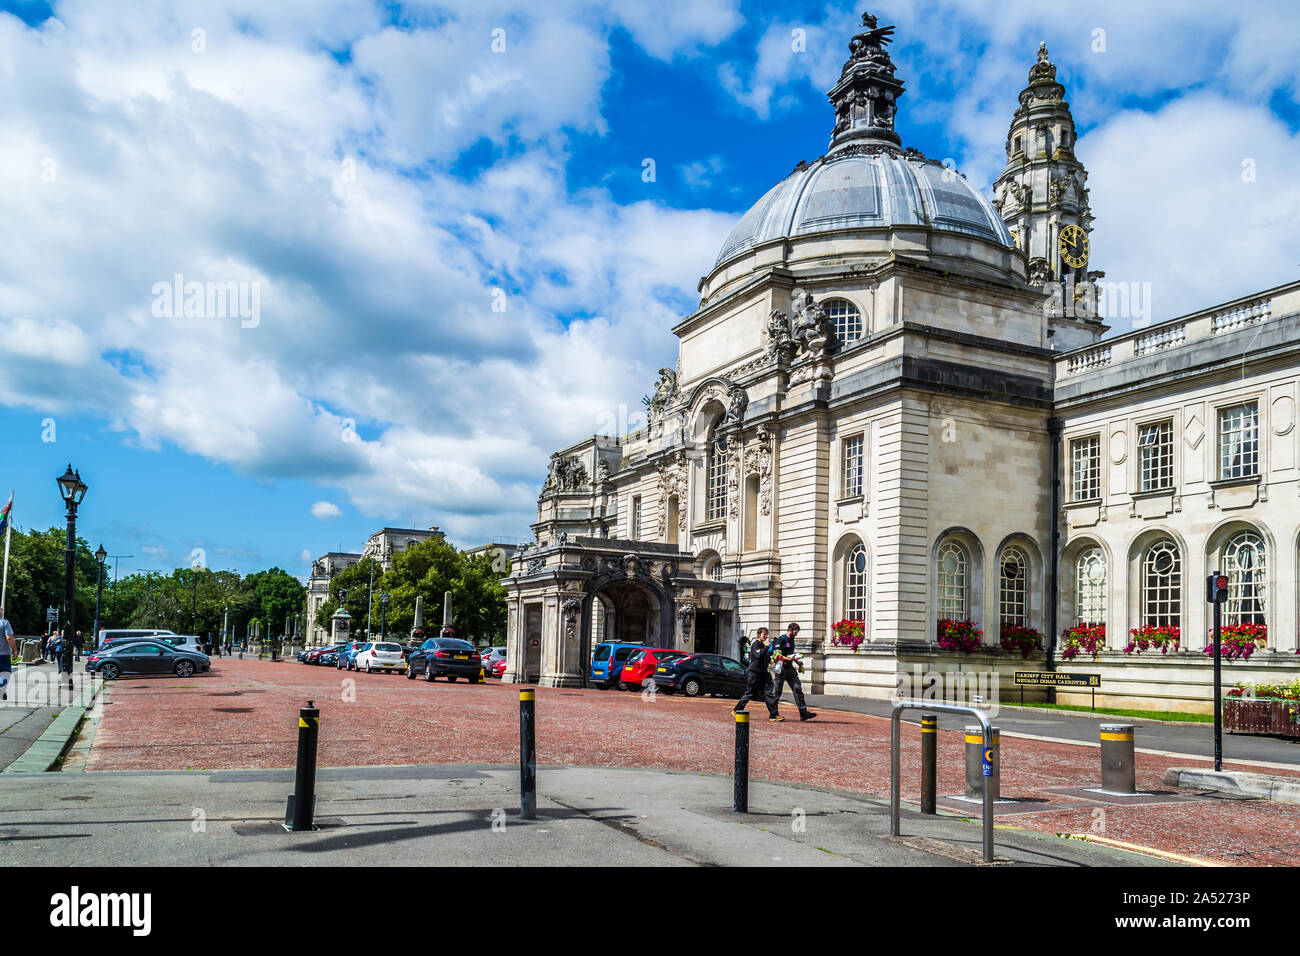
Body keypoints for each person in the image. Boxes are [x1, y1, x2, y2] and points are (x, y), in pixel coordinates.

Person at [770, 622, 816, 721]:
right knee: (777, 692)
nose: (796, 634)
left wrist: (798, 662)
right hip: (781, 668)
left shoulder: (792, 640)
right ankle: (773, 713)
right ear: (790, 630)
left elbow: (791, 655)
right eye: (795, 632)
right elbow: (777, 655)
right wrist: (788, 659)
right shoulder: (781, 639)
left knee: (797, 688)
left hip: (790, 669)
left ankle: (803, 713)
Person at [733, 627, 782, 721]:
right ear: (759, 635)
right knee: (750, 693)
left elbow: (767, 658)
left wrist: (773, 650)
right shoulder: (756, 644)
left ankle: (774, 715)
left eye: (766, 635)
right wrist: (767, 647)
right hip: (754, 673)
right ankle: (737, 709)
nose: (766, 636)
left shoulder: (763, 646)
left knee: (768, 693)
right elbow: (758, 655)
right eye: (764, 634)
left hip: (763, 673)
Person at [0, 607, 15, 702]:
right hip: (3, 654)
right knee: (6, 672)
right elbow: (9, 637)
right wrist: (15, 650)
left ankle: (2, 692)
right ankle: (1, 691)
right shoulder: (4, 622)